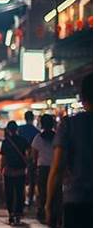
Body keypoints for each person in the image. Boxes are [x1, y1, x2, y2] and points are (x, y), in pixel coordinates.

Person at [47, 74, 92, 228]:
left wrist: (49, 204)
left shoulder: (69, 124)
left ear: (82, 97)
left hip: (77, 200)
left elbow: (58, 167)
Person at [0, 121, 30, 226]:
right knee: (20, 193)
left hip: (8, 171)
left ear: (8, 130)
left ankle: (11, 214)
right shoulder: (23, 140)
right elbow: (27, 155)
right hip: (20, 171)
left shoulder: (5, 142)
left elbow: (3, 159)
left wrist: (1, 170)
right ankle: (18, 214)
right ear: (17, 129)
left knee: (9, 193)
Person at [31, 114, 55, 223]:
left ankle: (42, 213)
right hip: (55, 169)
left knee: (42, 192)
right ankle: (53, 213)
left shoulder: (38, 138)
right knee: (55, 192)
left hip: (42, 169)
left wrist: (34, 168)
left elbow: (34, 156)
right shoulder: (57, 136)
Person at [18, 110, 40, 206]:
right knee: (32, 181)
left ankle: (21, 199)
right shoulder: (36, 131)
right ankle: (30, 200)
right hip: (31, 159)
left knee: (20, 180)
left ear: (25, 118)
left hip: (20, 158)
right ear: (33, 118)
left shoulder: (20, 129)